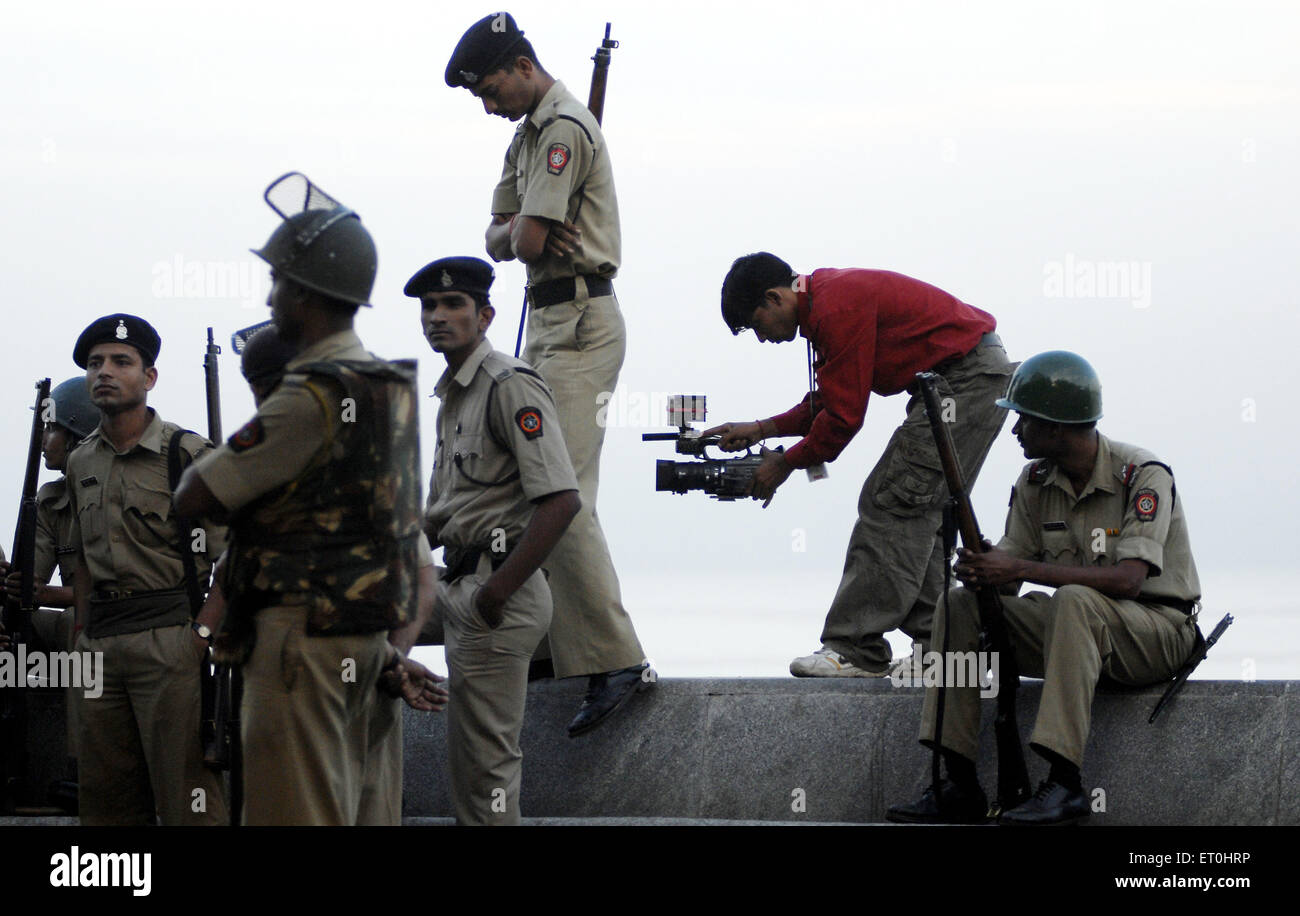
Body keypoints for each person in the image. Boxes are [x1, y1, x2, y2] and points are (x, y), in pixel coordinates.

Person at [174, 174, 442, 824]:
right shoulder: (385, 389)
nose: (271, 296)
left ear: (304, 291)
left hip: (300, 646)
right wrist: (394, 652)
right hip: (369, 644)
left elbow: (194, 494)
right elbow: (410, 553)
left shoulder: (307, 395)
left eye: (278, 282)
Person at [886, 351, 1202, 825]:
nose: (1014, 431)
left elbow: (1128, 580)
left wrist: (1015, 566)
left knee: (1075, 601)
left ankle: (1065, 784)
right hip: (1081, 635)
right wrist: (983, 569)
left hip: (1157, 632)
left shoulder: (1141, 475)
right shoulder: (1035, 481)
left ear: (1055, 428)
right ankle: (959, 782)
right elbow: (1010, 579)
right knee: (957, 605)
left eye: (1023, 421)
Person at [445, 12, 650, 735]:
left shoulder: (561, 129)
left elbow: (525, 236)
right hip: (551, 320)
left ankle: (615, 656)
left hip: (582, 321)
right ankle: (561, 647)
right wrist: (516, 235)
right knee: (532, 484)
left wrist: (520, 234)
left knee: (560, 493)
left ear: (521, 63)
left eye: (490, 85)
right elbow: (500, 234)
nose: (488, 101)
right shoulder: (529, 134)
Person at [706, 252, 1014, 677]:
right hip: (966, 380)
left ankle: (856, 648)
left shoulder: (837, 307)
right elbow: (830, 401)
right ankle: (941, 650)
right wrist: (761, 429)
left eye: (756, 325)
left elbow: (844, 418)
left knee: (891, 501)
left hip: (964, 383)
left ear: (773, 298)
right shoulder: (825, 303)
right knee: (918, 509)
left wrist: (785, 465)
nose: (762, 339)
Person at [405, 255, 580, 824]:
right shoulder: (452, 394)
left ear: (484, 316)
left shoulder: (510, 386)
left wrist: (496, 595)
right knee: (352, 633)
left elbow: (561, 501)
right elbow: (439, 515)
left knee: (484, 771)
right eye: (429, 307)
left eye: (453, 305)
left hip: (496, 592)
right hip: (455, 582)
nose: (437, 316)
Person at [66, 314, 228, 826]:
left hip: (169, 639)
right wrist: (81, 636)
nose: (104, 373)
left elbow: (244, 551)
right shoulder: (81, 462)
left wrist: (201, 633)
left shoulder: (186, 454)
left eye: (121, 362)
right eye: (95, 364)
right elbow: (83, 559)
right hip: (100, 646)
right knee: (105, 802)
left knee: (189, 800)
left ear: (149, 376)